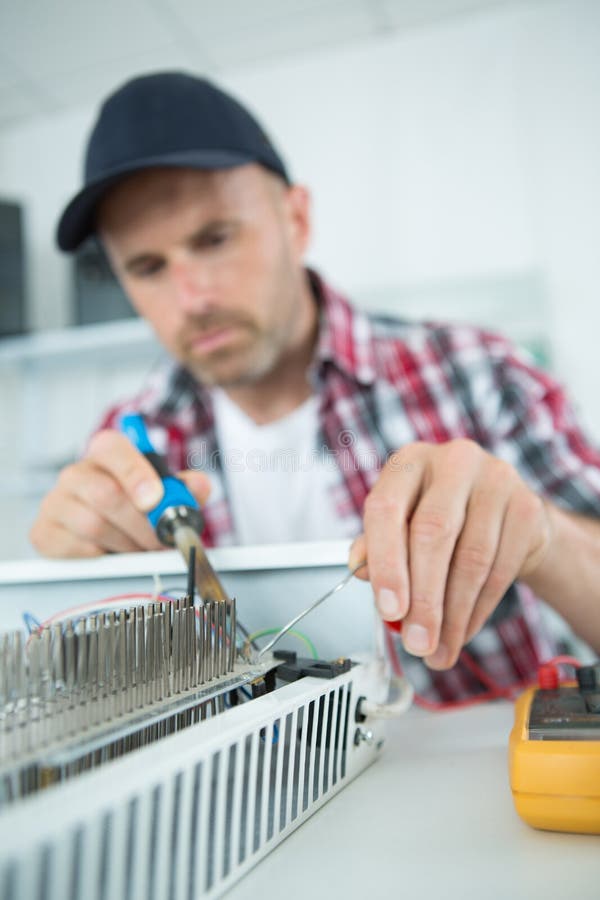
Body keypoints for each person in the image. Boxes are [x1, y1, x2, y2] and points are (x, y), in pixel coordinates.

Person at [30, 71, 600, 701]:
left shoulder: (480, 372)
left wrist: (544, 537)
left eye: (214, 238)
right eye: (147, 267)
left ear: (296, 219)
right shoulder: (128, 449)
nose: (191, 299)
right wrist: (69, 604)